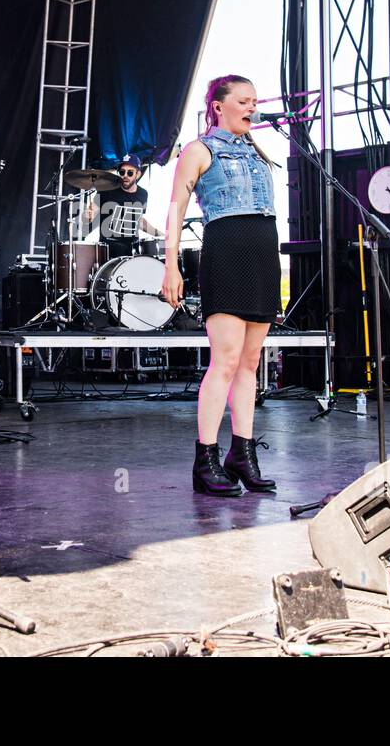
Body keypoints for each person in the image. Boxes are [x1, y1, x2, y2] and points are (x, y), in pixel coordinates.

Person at [161, 75, 279, 497]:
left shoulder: (256, 150)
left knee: (250, 363)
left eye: (255, 101)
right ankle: (205, 459)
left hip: (263, 255)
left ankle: (242, 455)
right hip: (227, 254)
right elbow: (175, 210)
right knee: (225, 361)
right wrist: (170, 265)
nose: (252, 107)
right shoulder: (199, 150)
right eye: (244, 101)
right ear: (218, 106)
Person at [85, 154, 163, 261]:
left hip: (132, 249)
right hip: (109, 248)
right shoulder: (106, 190)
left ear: (138, 174)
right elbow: (92, 212)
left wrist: (161, 235)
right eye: (122, 172)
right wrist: (88, 215)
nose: (125, 175)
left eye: (130, 173)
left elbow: (139, 220)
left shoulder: (143, 194)